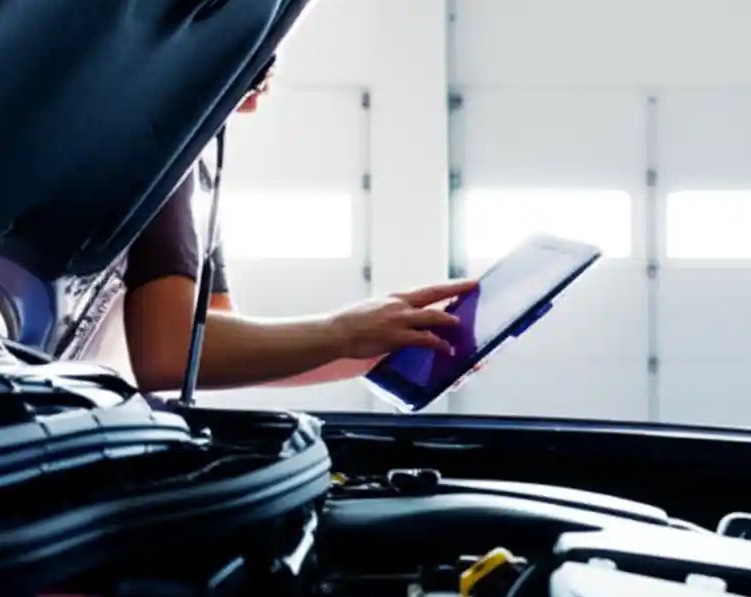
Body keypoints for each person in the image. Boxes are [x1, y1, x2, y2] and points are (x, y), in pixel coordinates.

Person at [75, 57, 477, 393]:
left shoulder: (201, 184)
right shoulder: (163, 153)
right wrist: (342, 331)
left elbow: (215, 346)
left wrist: (376, 347)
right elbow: (174, 355)